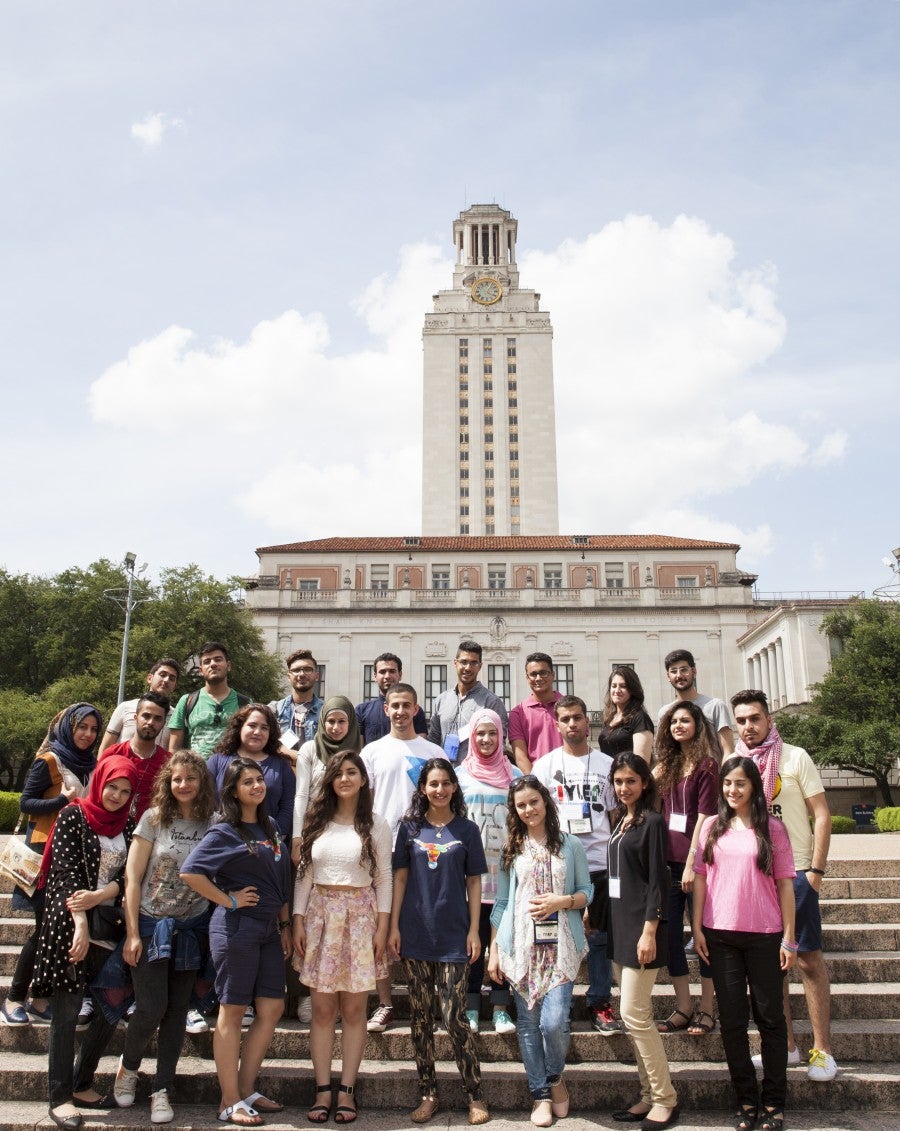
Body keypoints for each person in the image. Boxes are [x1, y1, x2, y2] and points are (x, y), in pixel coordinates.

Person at [731, 690, 837, 1083]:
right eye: (741, 720)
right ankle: (787, 1046)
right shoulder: (734, 764)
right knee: (768, 968)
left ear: (769, 719)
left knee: (808, 961)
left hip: (796, 874)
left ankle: (823, 1050)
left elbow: (822, 814)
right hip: (757, 877)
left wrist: (816, 871)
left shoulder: (795, 757)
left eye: (754, 718)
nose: (748, 727)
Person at [181, 757, 292, 1127]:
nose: (257, 786)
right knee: (232, 1009)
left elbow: (280, 878)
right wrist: (227, 899)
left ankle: (245, 1088)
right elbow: (190, 871)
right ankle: (228, 1100)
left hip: (269, 930)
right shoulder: (225, 830)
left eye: (260, 780)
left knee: (272, 1007)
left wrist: (286, 923)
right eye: (248, 782)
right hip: (236, 928)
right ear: (233, 790)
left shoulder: (270, 824)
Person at [30, 753, 138, 1131]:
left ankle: (82, 1081)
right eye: (112, 786)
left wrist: (102, 893)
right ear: (100, 782)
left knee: (112, 1006)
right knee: (67, 1011)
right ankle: (59, 1096)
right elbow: (64, 873)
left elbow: (131, 876)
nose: (117, 795)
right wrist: (80, 921)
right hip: (70, 925)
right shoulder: (73, 815)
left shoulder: (129, 825)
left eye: (125, 790)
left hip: (111, 925)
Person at [692, 756, 797, 1131]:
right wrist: (698, 927)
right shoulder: (712, 828)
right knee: (733, 1021)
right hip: (720, 935)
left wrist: (789, 937)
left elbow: (786, 885)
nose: (732, 790)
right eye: (727, 783)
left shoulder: (774, 829)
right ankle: (746, 1100)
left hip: (766, 935)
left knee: (770, 1018)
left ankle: (773, 1101)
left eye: (740, 783)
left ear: (753, 786)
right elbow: (701, 879)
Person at [118, 750, 217, 1124]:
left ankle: (162, 1088)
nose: (183, 785)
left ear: (201, 782)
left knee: (177, 1011)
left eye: (190, 779)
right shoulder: (154, 818)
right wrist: (131, 933)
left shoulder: (213, 823)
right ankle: (128, 1069)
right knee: (150, 1007)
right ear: (168, 781)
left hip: (191, 926)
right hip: (149, 922)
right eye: (177, 779)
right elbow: (132, 877)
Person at [292, 752, 392, 1124]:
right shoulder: (316, 821)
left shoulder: (376, 825)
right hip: (319, 916)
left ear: (363, 780)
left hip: (360, 917)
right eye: (339, 773)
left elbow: (383, 878)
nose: (346, 779)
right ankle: (322, 1088)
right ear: (331, 780)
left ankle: (347, 1089)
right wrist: (298, 919)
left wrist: (382, 927)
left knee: (353, 1010)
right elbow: (304, 874)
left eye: (353, 772)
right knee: (321, 1009)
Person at [389, 759, 490, 1126]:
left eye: (447, 783)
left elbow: (475, 882)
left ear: (454, 787)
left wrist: (475, 929)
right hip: (415, 933)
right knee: (419, 1017)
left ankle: (474, 1093)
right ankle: (428, 1091)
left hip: (453, 935)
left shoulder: (467, 829)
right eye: (433, 783)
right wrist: (393, 928)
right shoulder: (409, 829)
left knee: (453, 1015)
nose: (440, 789)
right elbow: (399, 878)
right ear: (422, 788)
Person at [488, 776, 592, 1127]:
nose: (528, 809)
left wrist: (562, 901)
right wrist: (494, 950)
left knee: (553, 1023)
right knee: (529, 1025)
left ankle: (554, 1075)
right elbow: (501, 903)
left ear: (545, 802)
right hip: (521, 947)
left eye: (533, 801)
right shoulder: (511, 849)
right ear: (515, 811)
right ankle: (541, 1094)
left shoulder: (570, 844)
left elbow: (586, 892)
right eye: (521, 805)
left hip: (561, 945)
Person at [2, 704, 99, 1029]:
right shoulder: (50, 760)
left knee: (59, 928)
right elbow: (26, 801)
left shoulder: (89, 764)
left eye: (92, 729)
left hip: (70, 855)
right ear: (67, 728)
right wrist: (61, 800)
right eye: (81, 727)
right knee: (44, 927)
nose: (87, 734)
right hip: (44, 854)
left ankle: (40, 999)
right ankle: (15, 998)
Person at [362, 683, 444, 1033]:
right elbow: (363, 801)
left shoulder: (432, 751)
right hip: (382, 846)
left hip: (425, 847)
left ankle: (425, 996)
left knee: (425, 921)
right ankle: (384, 1003)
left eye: (406, 705)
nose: (399, 711)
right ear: (385, 709)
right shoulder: (371, 752)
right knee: (381, 924)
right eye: (394, 705)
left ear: (416, 708)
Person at [533, 695, 617, 1034]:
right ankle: (560, 1004)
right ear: (557, 725)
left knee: (598, 939)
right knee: (559, 939)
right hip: (558, 865)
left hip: (598, 862)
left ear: (587, 721)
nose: (572, 724)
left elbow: (615, 814)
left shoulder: (607, 765)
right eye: (565, 719)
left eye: (578, 718)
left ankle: (600, 1002)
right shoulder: (544, 766)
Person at [607, 752, 678, 1130]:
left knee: (636, 1016)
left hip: (642, 930)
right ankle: (648, 1094)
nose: (624, 788)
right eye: (618, 781)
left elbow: (657, 879)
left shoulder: (652, 822)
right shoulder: (621, 821)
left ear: (644, 783)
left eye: (630, 781)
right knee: (631, 1018)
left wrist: (651, 928)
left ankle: (665, 1097)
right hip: (620, 928)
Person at [653, 701, 719, 1037]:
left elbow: (706, 817)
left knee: (701, 935)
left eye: (685, 720)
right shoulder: (668, 765)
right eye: (674, 721)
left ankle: (707, 1008)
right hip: (667, 862)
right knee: (672, 940)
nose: (679, 726)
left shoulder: (707, 766)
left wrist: (693, 862)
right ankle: (684, 1005)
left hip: (695, 863)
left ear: (697, 724)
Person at [455, 707, 520, 1034]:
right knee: (473, 943)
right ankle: (469, 1006)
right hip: (470, 877)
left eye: (492, 732)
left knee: (502, 942)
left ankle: (500, 1007)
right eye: (480, 733)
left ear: (501, 736)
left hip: (506, 874)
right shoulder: (459, 776)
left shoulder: (516, 775)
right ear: (471, 736)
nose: (486, 739)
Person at [208, 704, 296, 839]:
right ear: (240, 727)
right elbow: (205, 798)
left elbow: (288, 805)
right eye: (252, 725)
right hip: (223, 839)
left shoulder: (282, 765)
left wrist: (276, 837)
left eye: (264, 728)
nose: (257, 732)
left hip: (268, 843)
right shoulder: (217, 761)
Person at [291, 696, 361, 862]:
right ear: (322, 721)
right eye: (331, 721)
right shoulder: (310, 749)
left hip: (347, 829)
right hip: (314, 827)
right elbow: (301, 795)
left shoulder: (359, 754)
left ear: (350, 722)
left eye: (341, 721)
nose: (336, 727)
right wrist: (297, 837)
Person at [428, 640, 508, 763]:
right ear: (455, 663)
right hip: (445, 775)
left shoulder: (491, 702)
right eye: (463, 662)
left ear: (480, 666)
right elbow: (433, 740)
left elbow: (498, 745)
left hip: (475, 776)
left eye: (473, 663)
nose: (468, 668)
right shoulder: (441, 700)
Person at [168, 642, 249, 758]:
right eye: (207, 662)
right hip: (196, 773)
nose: (213, 664)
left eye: (218, 659)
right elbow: (174, 749)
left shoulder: (245, 704)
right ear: (201, 670)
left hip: (231, 773)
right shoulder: (187, 701)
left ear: (229, 666)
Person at [98, 692, 171, 820]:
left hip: (148, 832)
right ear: (135, 717)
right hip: (109, 827)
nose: (150, 722)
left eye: (157, 718)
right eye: (146, 716)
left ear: (164, 723)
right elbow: (96, 794)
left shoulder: (168, 762)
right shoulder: (113, 754)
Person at [656, 649, 734, 757]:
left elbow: (728, 751)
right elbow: (662, 752)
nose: (679, 675)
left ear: (694, 672)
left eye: (684, 670)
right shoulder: (664, 712)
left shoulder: (715, 706)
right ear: (668, 676)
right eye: (673, 671)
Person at [98, 659, 180, 754]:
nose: (166, 680)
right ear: (150, 678)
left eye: (172, 678)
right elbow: (105, 747)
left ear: (174, 686)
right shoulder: (125, 707)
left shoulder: (176, 717)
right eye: (162, 675)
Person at [355, 652, 427, 745]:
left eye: (392, 671)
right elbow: (359, 751)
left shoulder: (414, 710)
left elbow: (421, 747)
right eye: (382, 672)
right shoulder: (361, 711)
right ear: (375, 676)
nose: (387, 676)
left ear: (400, 674)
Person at [508, 652, 563, 773]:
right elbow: (520, 757)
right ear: (527, 678)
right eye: (533, 674)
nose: (538, 678)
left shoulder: (569, 707)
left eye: (543, 672)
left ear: (553, 675)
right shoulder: (518, 713)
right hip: (537, 780)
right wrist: (537, 786)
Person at [269, 649, 325, 764]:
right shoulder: (274, 710)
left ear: (317, 675)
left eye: (307, 669)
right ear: (289, 677)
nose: (301, 674)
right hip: (283, 776)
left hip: (315, 776)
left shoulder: (326, 711)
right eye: (296, 670)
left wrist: (293, 755)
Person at [598, 667, 654, 761]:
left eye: (623, 686)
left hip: (627, 775)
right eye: (614, 686)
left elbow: (642, 763)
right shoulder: (609, 718)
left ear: (632, 689)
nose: (617, 690)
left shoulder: (640, 718)